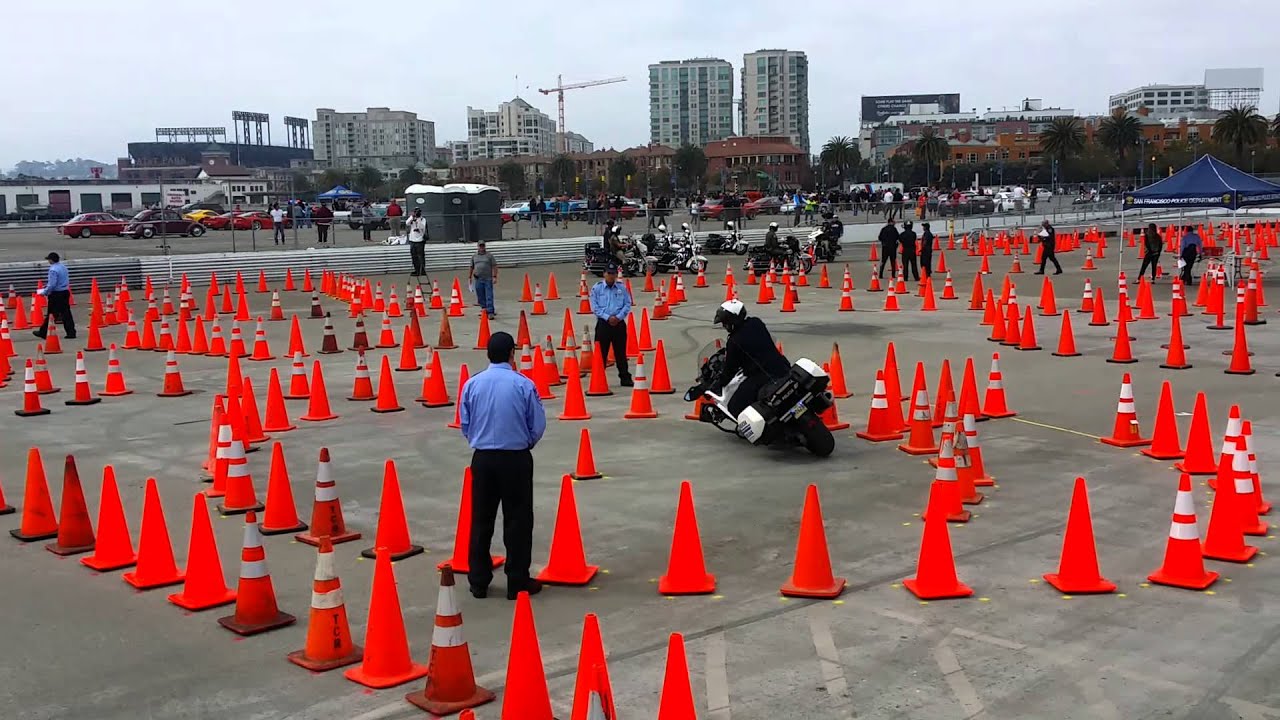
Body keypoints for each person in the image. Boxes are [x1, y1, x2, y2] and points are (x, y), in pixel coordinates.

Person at [459, 331, 547, 600]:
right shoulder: (523, 384)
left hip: (483, 458)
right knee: (518, 519)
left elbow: (465, 423)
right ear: (512, 354)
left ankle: (479, 581)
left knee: (481, 520)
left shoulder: (472, 384)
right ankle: (517, 580)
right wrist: (526, 442)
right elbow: (537, 423)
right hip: (515, 458)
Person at [711, 300, 790, 417]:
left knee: (734, 406)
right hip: (782, 366)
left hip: (762, 377)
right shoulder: (756, 323)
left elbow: (730, 369)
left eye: (725, 322)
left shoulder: (734, 341)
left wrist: (718, 384)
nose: (724, 326)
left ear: (732, 320)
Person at [589, 263, 633, 387]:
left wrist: (618, 317)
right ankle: (598, 379)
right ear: (604, 274)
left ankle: (625, 377)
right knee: (600, 353)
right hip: (604, 323)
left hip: (618, 324)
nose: (611, 276)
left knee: (620, 353)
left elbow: (627, 304)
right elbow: (595, 307)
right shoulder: (597, 288)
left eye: (613, 273)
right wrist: (608, 318)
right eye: (609, 273)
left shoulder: (621, 288)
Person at [34, 251, 74, 340]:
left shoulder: (53, 270)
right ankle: (71, 332)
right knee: (66, 313)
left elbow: (52, 284)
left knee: (51, 314)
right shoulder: (63, 267)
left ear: (51, 260)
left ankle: (43, 332)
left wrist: (44, 292)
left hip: (56, 294)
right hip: (65, 292)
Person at [470, 240, 498, 318]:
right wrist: (469, 277)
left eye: (483, 246)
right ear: (478, 247)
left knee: (489, 295)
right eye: (480, 246)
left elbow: (494, 266)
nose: (481, 247)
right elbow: (471, 267)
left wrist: (495, 276)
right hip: (478, 279)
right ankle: (484, 309)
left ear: (485, 246)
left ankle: (490, 312)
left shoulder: (489, 256)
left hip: (488, 279)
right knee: (480, 295)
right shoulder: (474, 256)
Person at [406, 207, 428, 276]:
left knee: (420, 256)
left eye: (418, 212)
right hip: (412, 239)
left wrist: (418, 221)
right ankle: (416, 270)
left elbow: (422, 227)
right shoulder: (412, 218)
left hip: (420, 240)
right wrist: (412, 217)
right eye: (415, 212)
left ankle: (422, 270)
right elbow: (407, 223)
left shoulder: (423, 219)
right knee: (414, 256)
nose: (416, 213)